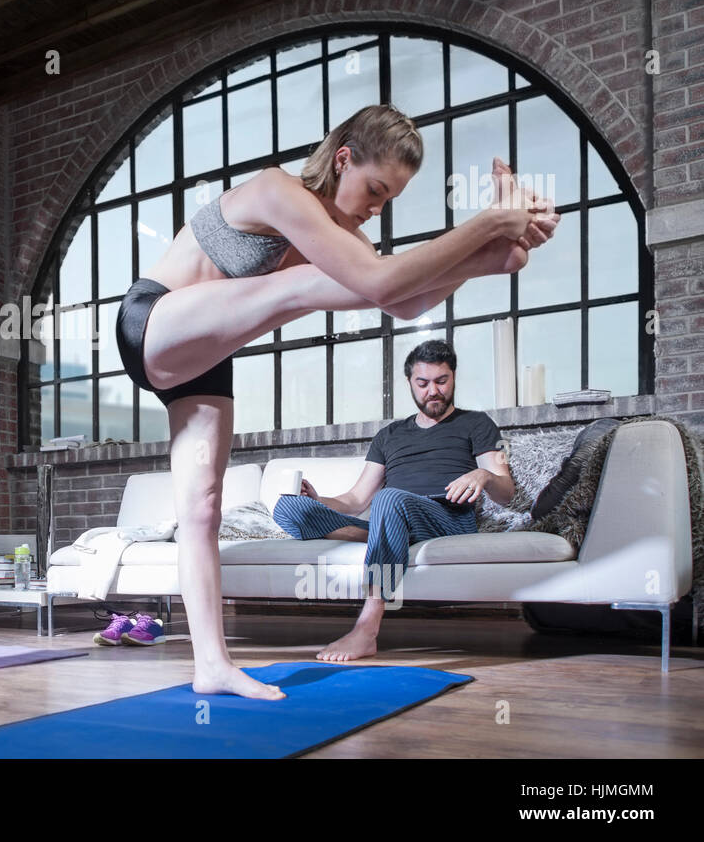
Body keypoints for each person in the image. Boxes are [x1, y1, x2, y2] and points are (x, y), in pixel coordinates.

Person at [114, 104, 559, 700]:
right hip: (154, 323)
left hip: (204, 359)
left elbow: (400, 302)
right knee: (298, 286)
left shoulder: (347, 239)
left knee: (204, 509)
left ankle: (211, 666)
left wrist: (494, 259)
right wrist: (488, 224)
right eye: (375, 189)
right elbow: (381, 283)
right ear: (343, 158)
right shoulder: (278, 190)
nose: (377, 207)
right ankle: (491, 240)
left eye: (389, 199)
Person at [272, 339, 513, 662]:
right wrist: (318, 500)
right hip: (390, 512)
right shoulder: (389, 435)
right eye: (423, 383)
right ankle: (391, 533)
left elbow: (507, 493)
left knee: (389, 500)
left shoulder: (477, 424)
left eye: (441, 381)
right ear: (410, 384)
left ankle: (367, 628)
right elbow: (357, 499)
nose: (433, 391)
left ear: (453, 377)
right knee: (288, 507)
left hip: (447, 518)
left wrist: (483, 476)